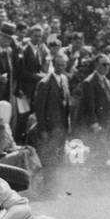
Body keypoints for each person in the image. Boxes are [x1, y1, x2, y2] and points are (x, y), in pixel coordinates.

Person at [31, 51, 72, 193]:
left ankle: (55, 188)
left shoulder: (64, 80)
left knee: (59, 158)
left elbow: (66, 104)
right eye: (58, 65)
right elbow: (39, 109)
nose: (61, 67)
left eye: (63, 65)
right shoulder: (45, 83)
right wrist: (42, 130)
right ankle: (47, 189)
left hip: (61, 128)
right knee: (49, 159)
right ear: (53, 65)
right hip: (49, 128)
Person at [76, 53, 110, 141]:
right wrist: (94, 124)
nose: (107, 67)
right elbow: (90, 106)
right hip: (96, 126)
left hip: (106, 123)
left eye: (109, 64)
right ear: (96, 65)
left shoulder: (106, 81)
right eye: (104, 64)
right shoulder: (89, 82)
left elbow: (109, 101)